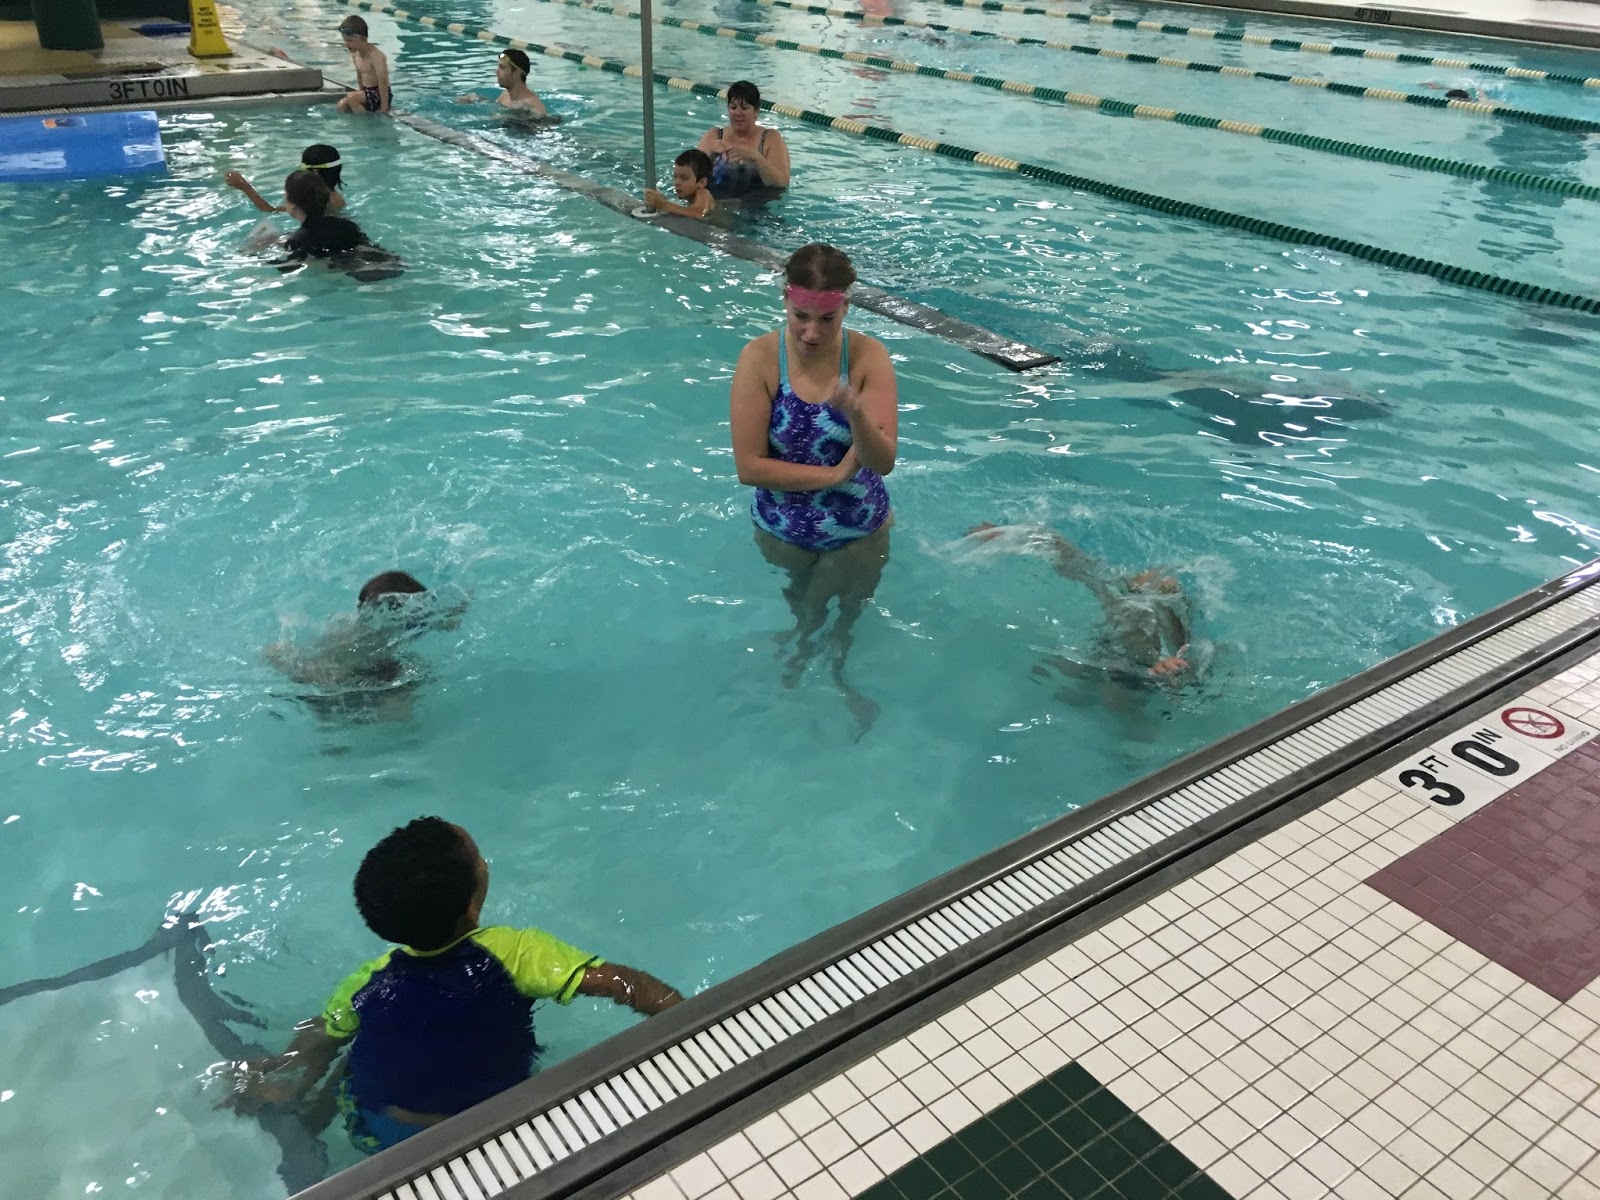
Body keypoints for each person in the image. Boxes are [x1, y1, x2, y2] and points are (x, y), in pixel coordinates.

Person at [218, 817, 683, 1152]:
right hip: (493, 1125)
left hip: (381, 1128)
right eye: (479, 858)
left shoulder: (368, 980)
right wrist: (687, 1016)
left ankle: (291, 1108)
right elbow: (628, 984)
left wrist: (280, 1072)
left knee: (348, 1057)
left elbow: (316, 1043)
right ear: (472, 902)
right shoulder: (514, 951)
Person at [729, 243, 896, 738]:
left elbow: (883, 461)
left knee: (845, 618)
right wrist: (833, 476)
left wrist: (856, 415)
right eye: (800, 316)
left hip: (859, 530)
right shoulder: (760, 358)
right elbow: (749, 466)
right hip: (783, 530)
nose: (811, 332)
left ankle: (840, 679)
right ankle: (798, 663)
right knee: (804, 609)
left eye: (826, 319)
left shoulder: (867, 356)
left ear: (846, 306)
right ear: (786, 300)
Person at [963, 523, 1198, 726]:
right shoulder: (1116, 596)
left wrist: (1166, 672)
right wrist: (1014, 534)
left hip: (1137, 674)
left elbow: (1187, 668)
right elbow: (1074, 561)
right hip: (1110, 651)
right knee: (1049, 673)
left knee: (1114, 700)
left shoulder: (1176, 638)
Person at [263, 570, 450, 721]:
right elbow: (434, 622)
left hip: (303, 675)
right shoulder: (388, 636)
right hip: (340, 692)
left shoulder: (342, 622)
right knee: (410, 685)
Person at [271, 170, 401, 281]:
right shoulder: (348, 225)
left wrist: (258, 250)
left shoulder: (297, 240)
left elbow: (287, 269)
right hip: (380, 264)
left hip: (349, 274)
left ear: (293, 204)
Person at [695, 80, 790, 200]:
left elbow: (781, 183)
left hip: (756, 207)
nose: (738, 113)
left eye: (745, 108)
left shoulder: (769, 138)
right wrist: (707, 157)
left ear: (756, 110)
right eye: (733, 107)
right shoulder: (715, 135)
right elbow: (691, 176)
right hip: (715, 201)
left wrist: (756, 158)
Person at [225, 144, 345, 214]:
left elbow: (271, 211)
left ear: (315, 172)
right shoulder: (333, 197)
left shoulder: (323, 201)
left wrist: (245, 187)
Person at [457, 48, 549, 118]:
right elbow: (493, 106)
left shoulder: (533, 107)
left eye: (502, 68)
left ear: (516, 73)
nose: (496, 72)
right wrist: (476, 100)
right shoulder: (505, 95)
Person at [335, 15, 391, 115]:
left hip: (379, 93)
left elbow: (383, 82)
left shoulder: (377, 56)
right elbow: (359, 76)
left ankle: (366, 124)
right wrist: (360, 94)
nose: (346, 44)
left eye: (350, 40)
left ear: (362, 38)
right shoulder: (355, 54)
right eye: (345, 40)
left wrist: (384, 107)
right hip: (367, 92)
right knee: (341, 105)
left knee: (351, 97)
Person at [643, 149, 715, 220]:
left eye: (684, 178)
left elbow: (698, 214)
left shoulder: (703, 193)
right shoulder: (691, 196)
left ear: (701, 182)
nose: (677, 183)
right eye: (675, 177)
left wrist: (664, 205)